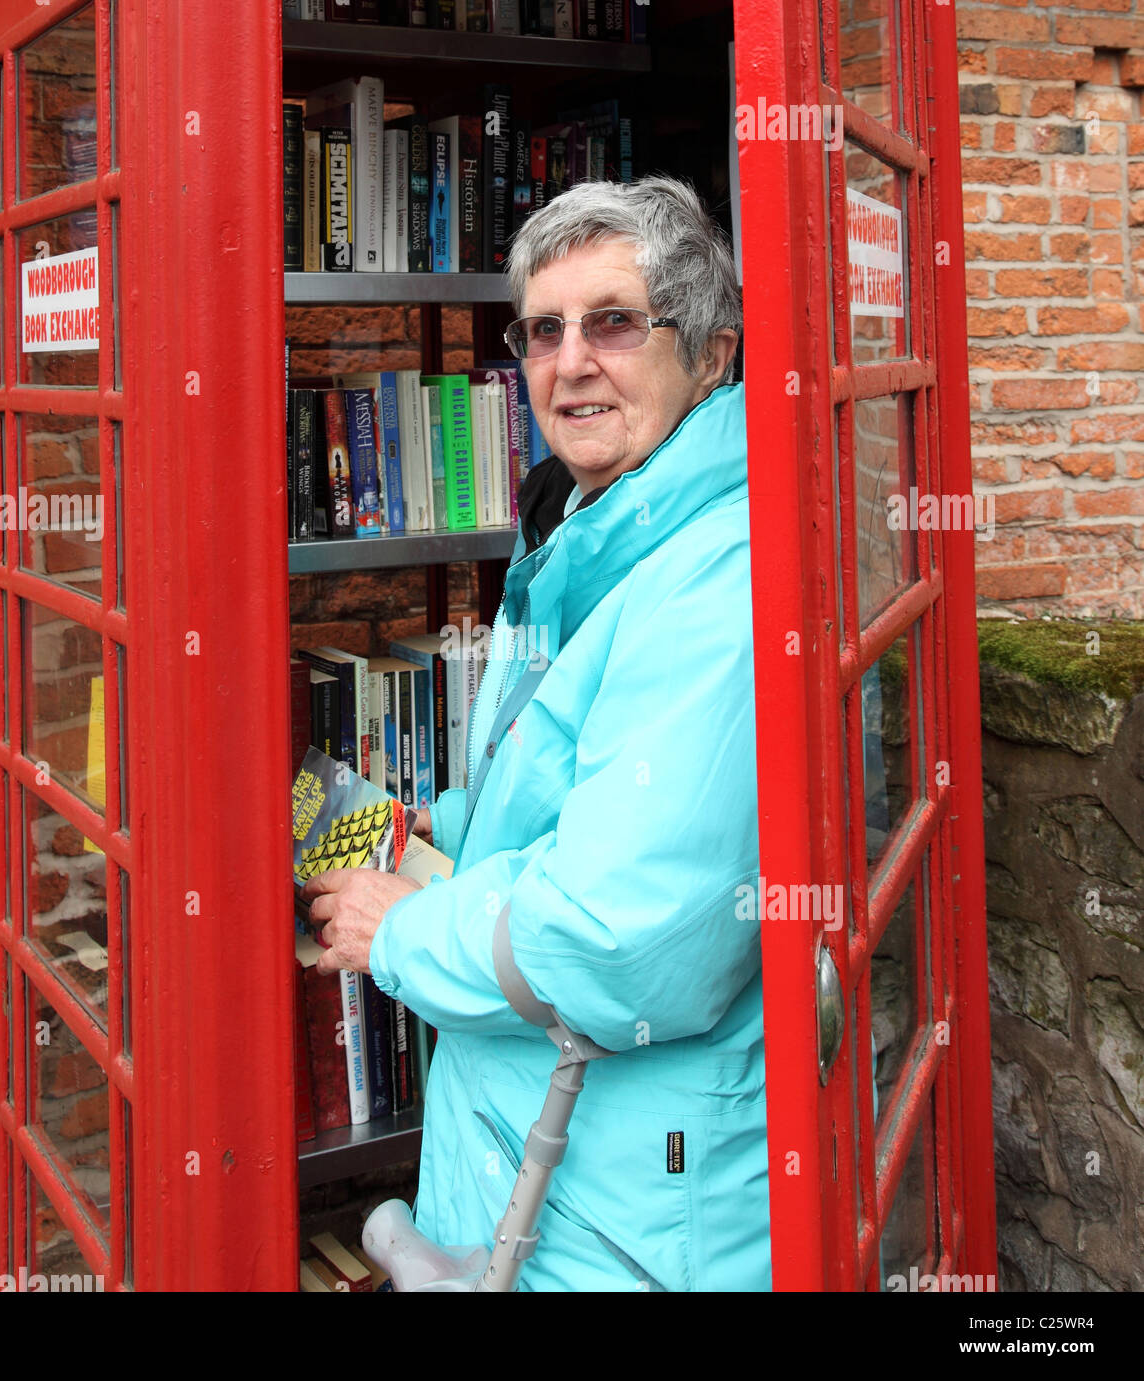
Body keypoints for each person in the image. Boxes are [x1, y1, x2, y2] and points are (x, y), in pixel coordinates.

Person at [302, 176, 767, 1292]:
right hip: (536, 1167)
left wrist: (402, 934)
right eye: (542, 329)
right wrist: (438, 826)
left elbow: (625, 939)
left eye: (613, 320)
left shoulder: (718, 584)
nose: (569, 362)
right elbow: (556, 786)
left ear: (709, 354)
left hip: (636, 1212)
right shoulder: (580, 527)